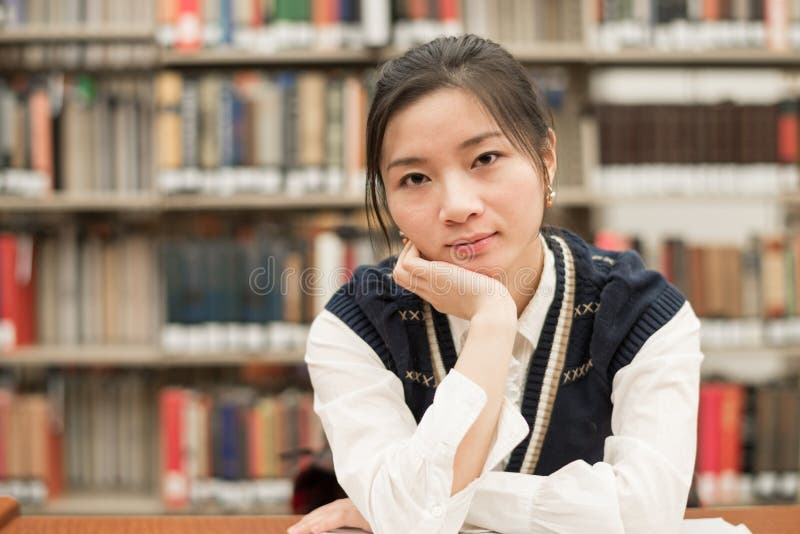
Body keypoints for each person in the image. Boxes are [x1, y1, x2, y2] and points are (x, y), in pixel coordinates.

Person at [287, 34, 702, 534]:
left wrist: (422, 502)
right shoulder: (355, 326)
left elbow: (643, 513)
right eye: (415, 178)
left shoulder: (643, 312)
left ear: (545, 158)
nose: (458, 205)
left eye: (485, 159)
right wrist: (492, 320)